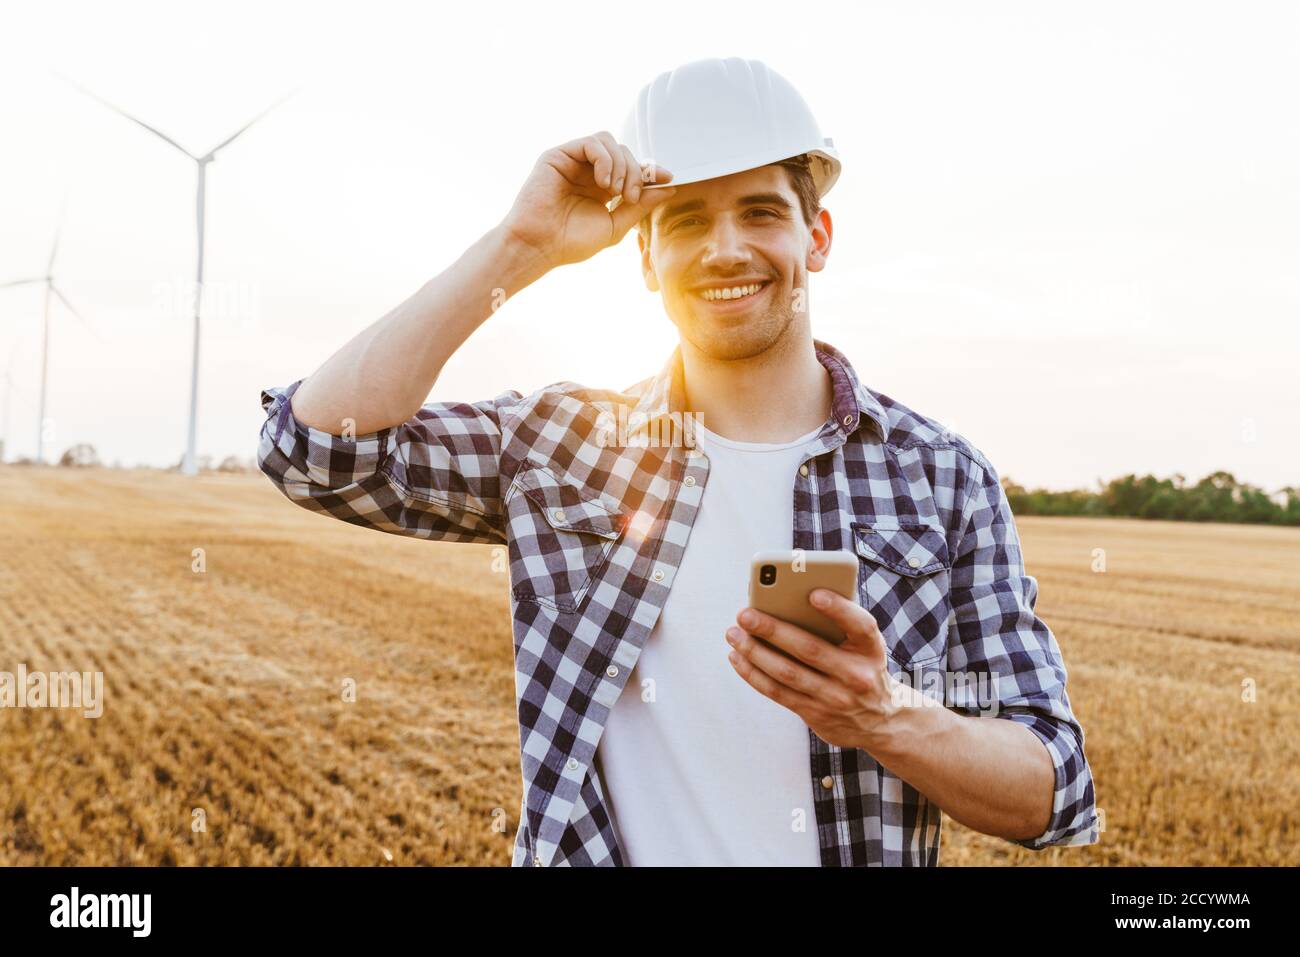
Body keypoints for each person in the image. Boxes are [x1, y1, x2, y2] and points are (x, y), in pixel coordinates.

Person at [257, 57, 1099, 866]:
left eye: (761, 212)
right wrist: (523, 245)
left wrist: (884, 715)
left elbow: (1052, 791)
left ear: (819, 236)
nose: (726, 249)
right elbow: (314, 450)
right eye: (688, 219)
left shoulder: (942, 476)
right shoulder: (566, 445)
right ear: (646, 259)